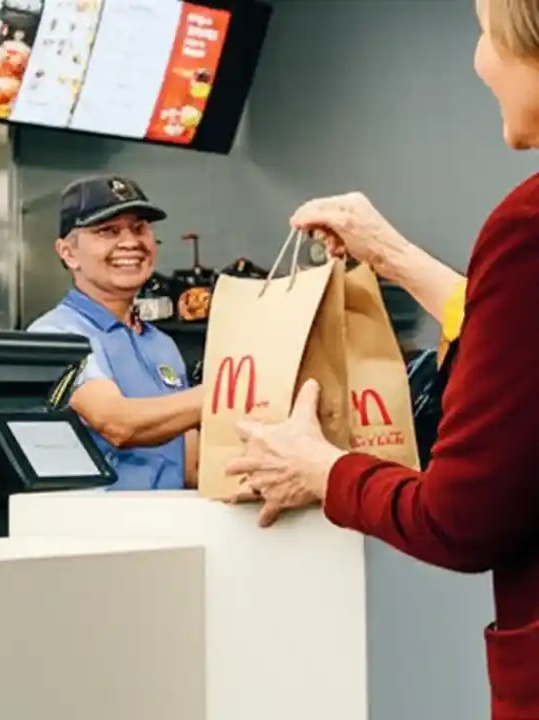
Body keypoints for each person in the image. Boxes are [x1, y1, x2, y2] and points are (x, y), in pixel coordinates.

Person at [225, 1, 539, 715]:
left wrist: (319, 467)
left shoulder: (528, 226)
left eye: (485, 36)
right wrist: (394, 257)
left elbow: (461, 519)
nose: (478, 62)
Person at [27, 175, 203, 490]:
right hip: (98, 533)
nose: (130, 243)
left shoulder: (162, 345)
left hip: (171, 529)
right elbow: (117, 424)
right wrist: (227, 394)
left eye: (139, 228)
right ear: (67, 253)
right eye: (107, 231)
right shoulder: (56, 334)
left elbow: (190, 467)